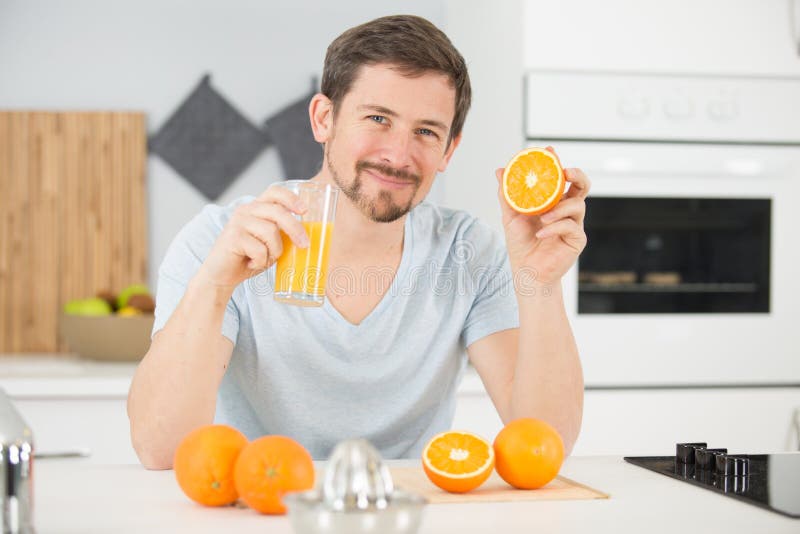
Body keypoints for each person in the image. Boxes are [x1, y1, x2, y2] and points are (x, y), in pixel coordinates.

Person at [127, 14, 589, 469]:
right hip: (259, 506)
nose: (397, 154)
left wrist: (541, 283)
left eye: (426, 131)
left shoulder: (468, 253)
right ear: (324, 118)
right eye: (378, 118)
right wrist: (215, 284)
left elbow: (545, 442)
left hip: (408, 513)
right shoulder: (218, 242)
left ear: (449, 149)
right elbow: (160, 448)